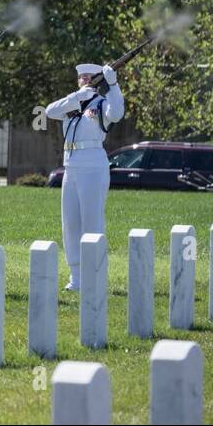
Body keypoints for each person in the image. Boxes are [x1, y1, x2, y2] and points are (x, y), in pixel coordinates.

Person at [45, 62, 125, 291]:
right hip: (71, 165)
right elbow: (50, 111)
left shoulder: (103, 104)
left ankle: (94, 274)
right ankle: (76, 276)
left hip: (93, 164)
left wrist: (113, 84)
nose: (86, 80)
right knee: (71, 223)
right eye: (82, 77)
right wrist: (76, 97)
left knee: (92, 220)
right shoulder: (71, 103)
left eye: (91, 77)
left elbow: (117, 114)